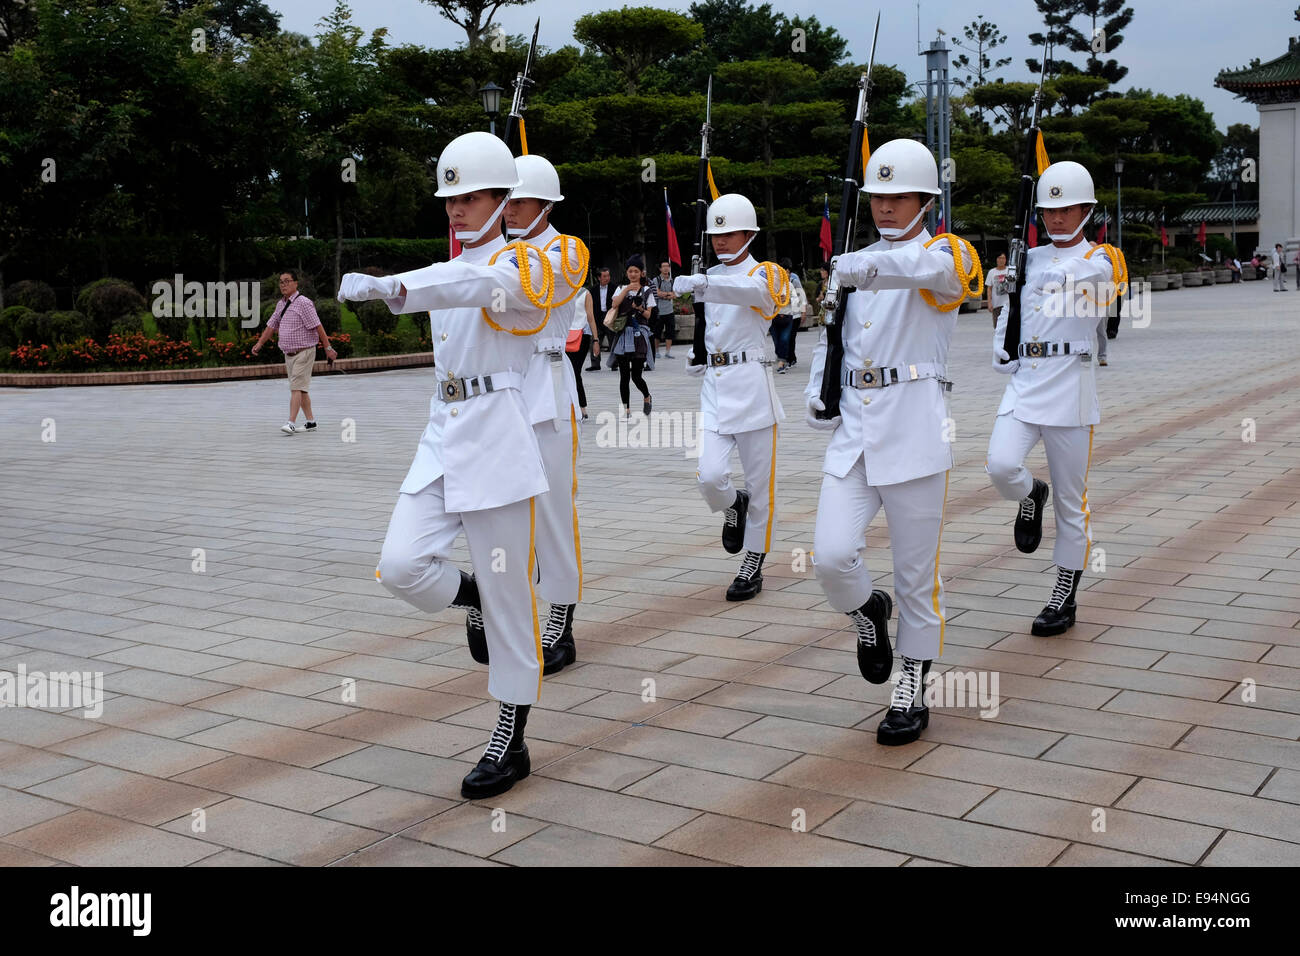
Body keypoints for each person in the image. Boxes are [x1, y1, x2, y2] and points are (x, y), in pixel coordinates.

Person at [337, 131, 549, 800]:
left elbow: (471, 283)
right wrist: (407, 283)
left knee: (514, 602)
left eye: (470, 196)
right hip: (444, 430)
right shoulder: (450, 264)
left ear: (501, 201)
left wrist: (394, 284)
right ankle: (470, 599)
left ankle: (510, 737)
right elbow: (453, 276)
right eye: (450, 198)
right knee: (401, 564)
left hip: (499, 440)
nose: (456, 208)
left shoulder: (524, 268)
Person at [804, 138, 973, 747]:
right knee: (830, 556)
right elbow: (836, 333)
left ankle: (912, 684)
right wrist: (820, 386)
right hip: (854, 432)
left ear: (926, 199)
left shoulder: (945, 253)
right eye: (877, 196)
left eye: (898, 196)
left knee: (915, 574)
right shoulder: (855, 262)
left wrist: (860, 267)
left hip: (913, 431)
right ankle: (866, 615)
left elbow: (937, 276)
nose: (885, 206)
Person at [986, 159, 1116, 640]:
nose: (1056, 218)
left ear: (1086, 210)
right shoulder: (1029, 257)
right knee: (1000, 466)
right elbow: (1012, 308)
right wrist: (1001, 343)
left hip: (1070, 384)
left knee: (1071, 500)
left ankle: (1064, 592)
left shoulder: (1103, 257)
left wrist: (1058, 278)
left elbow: (1103, 284)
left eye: (1067, 209)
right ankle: (1028, 494)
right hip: (1027, 378)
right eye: (1049, 210)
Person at [672, 193, 787, 603]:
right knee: (709, 475)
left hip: (753, 387)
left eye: (729, 233)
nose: (720, 241)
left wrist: (704, 283)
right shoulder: (713, 277)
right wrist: (697, 352)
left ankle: (753, 562)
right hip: (716, 386)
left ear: (749, 234)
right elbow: (711, 325)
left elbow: (756, 294)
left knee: (761, 486)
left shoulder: (766, 273)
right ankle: (731, 504)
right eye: (715, 233)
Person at [503, 153, 587, 676]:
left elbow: (533, 286)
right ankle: (504, 606)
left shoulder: (566, 251)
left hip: (549, 388)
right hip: (504, 389)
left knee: (554, 510)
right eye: (504, 199)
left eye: (519, 200)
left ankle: (560, 615)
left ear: (545, 204)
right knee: (505, 508)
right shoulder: (498, 250)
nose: (509, 209)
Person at [251, 271, 336, 433]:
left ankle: (290, 422)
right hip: (289, 354)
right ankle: (311, 422)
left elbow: (318, 326)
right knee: (301, 389)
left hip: (304, 352)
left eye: (287, 281)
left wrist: (328, 348)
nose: (283, 284)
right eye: (281, 282)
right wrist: (260, 343)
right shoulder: (281, 304)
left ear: (296, 283)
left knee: (296, 387)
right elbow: (271, 326)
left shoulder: (304, 303)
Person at [606, 255, 656, 415]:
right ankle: (626, 409)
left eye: (636, 271)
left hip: (639, 335)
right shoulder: (621, 288)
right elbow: (614, 304)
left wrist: (640, 308)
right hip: (622, 334)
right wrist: (627, 289)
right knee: (623, 376)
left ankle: (647, 396)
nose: (633, 274)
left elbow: (648, 316)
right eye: (630, 271)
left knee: (636, 376)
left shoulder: (647, 291)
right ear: (627, 273)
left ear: (641, 273)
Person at [566, 286, 598, 419]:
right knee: (567, 372)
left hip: (582, 335)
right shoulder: (560, 290)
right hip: (564, 335)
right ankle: (570, 407)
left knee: (575, 371)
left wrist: (595, 340)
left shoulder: (585, 293)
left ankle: (581, 407)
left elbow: (590, 317)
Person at [782, 259, 809, 371]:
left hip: (795, 314)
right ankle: (787, 357)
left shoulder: (794, 281)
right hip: (784, 314)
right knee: (785, 338)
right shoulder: (778, 281)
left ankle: (790, 359)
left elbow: (802, 297)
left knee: (791, 337)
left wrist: (803, 312)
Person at [593, 266, 617, 364]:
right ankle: (595, 363)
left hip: (609, 317)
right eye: (604, 276)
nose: (607, 278)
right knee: (595, 340)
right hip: (598, 317)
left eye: (608, 275)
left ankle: (614, 363)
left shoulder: (614, 288)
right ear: (599, 278)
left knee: (612, 340)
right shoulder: (593, 290)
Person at [653, 260, 676, 359]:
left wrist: (665, 295)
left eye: (668, 266)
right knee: (657, 332)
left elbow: (675, 294)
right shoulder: (656, 280)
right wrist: (667, 294)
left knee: (670, 331)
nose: (666, 268)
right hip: (659, 310)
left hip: (669, 311)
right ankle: (656, 351)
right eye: (664, 266)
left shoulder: (672, 280)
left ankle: (668, 352)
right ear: (660, 268)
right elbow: (657, 293)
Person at [987, 252, 1009, 328]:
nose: (1001, 260)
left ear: (1006, 260)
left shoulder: (1010, 270)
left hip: (1008, 304)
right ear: (996, 259)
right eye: (999, 258)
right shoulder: (992, 272)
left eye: (1003, 258)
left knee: (1008, 326)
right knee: (997, 326)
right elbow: (989, 288)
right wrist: (989, 302)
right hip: (996, 304)